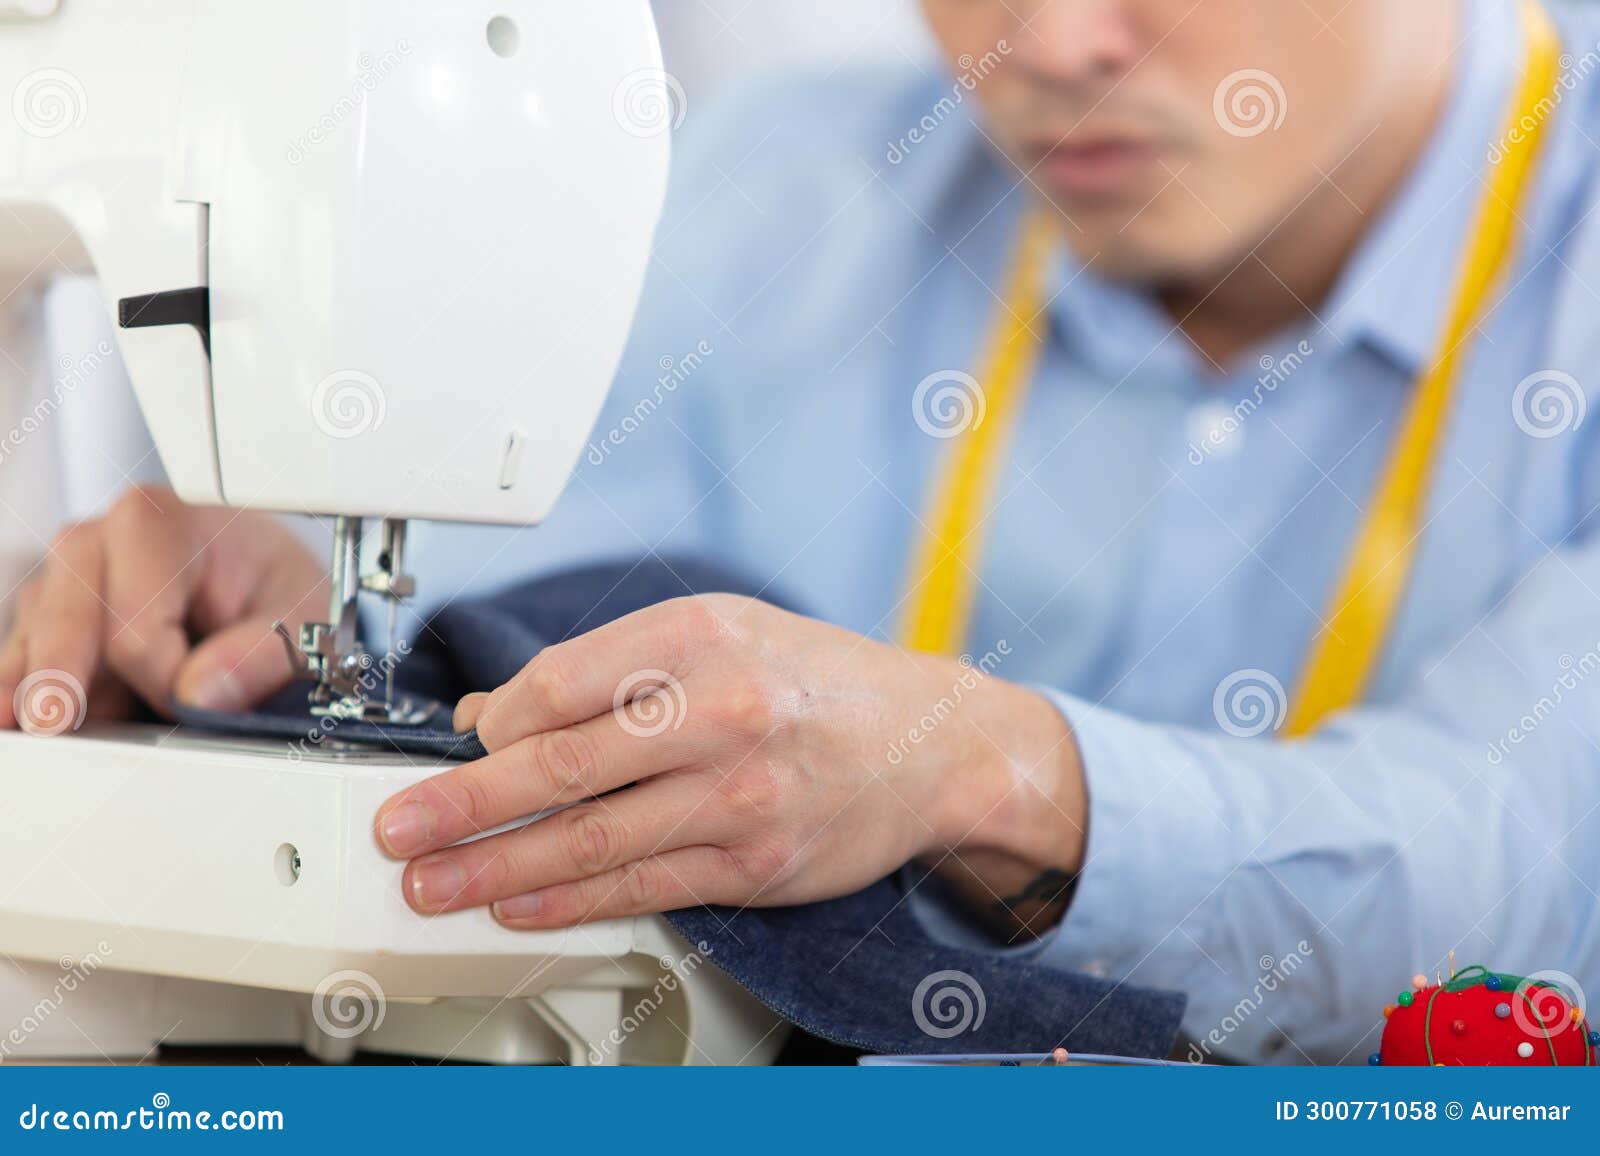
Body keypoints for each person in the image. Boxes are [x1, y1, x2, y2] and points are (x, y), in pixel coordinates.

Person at [4, 0, 1599, 1063]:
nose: (1051, 43)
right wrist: (297, 629)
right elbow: (497, 627)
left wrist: (992, 773)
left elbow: (1527, 864)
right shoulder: (773, 190)